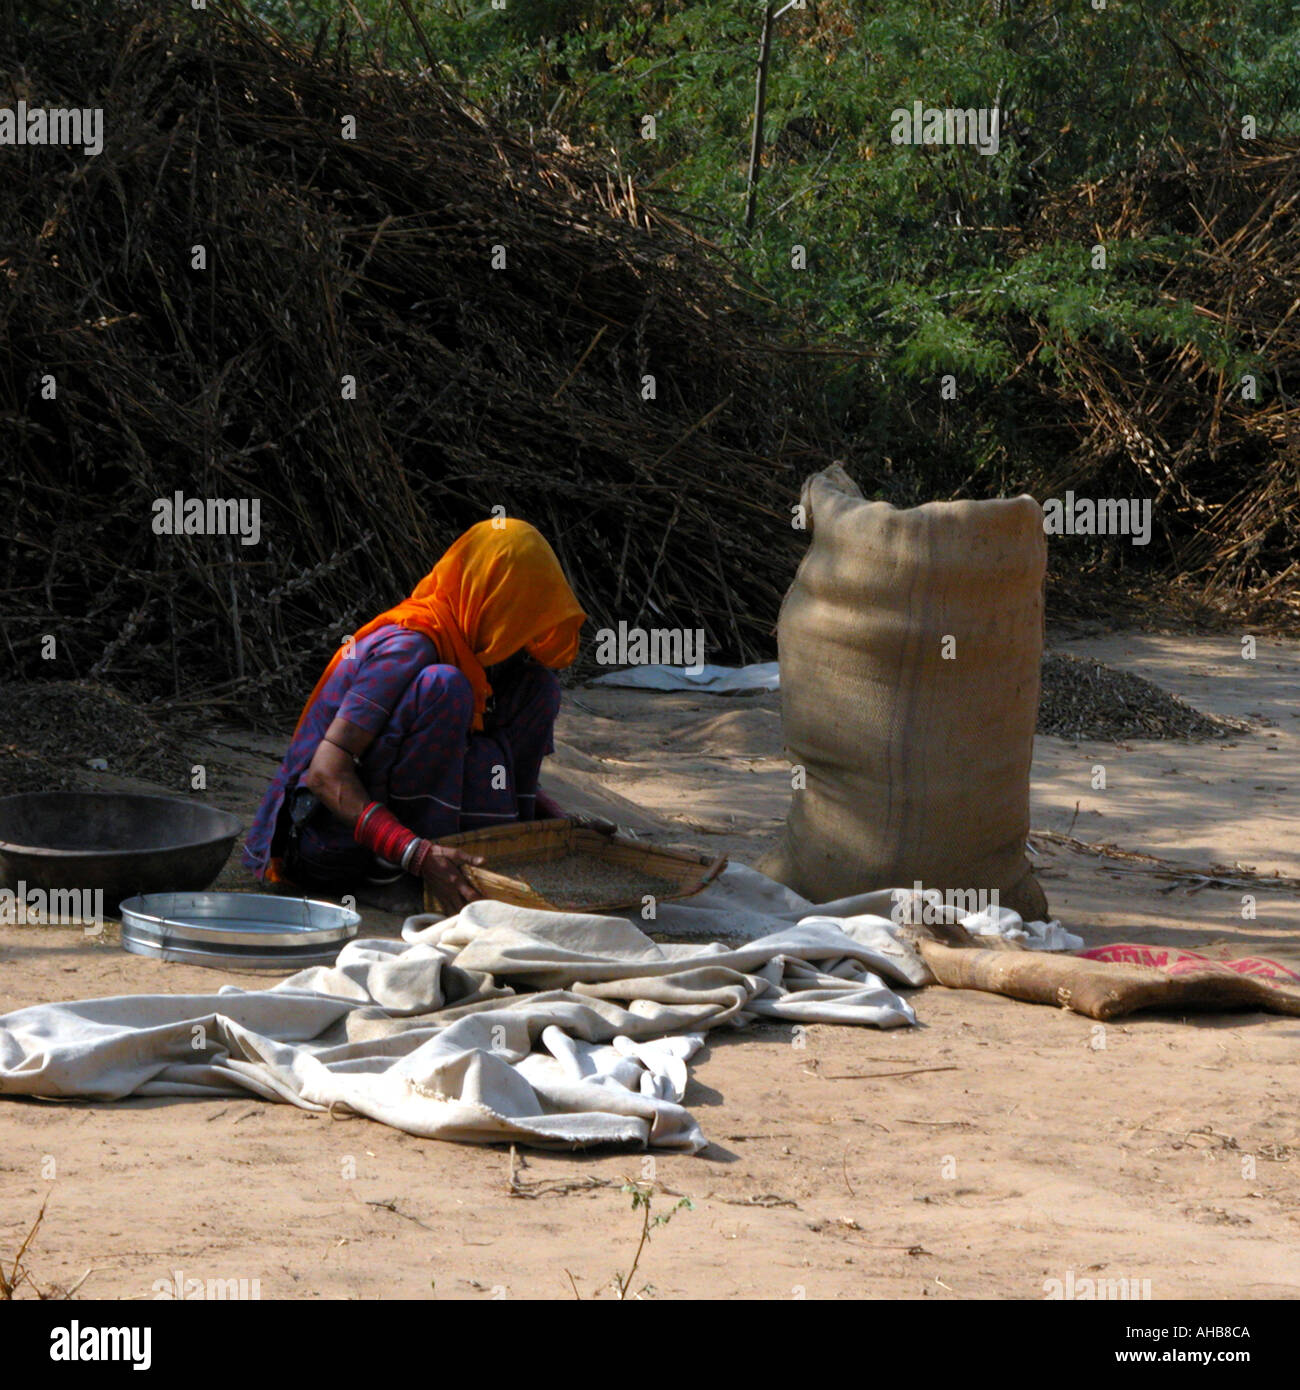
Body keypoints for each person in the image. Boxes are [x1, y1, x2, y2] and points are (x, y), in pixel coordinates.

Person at [243, 518, 586, 912]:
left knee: (537, 687)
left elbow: (482, 766)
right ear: (490, 599)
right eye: (520, 615)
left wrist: (563, 826)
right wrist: (415, 855)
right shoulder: (408, 646)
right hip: (326, 845)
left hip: (420, 838)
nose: (524, 637)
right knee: (444, 686)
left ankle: (509, 853)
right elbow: (325, 774)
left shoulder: (481, 656)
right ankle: (389, 875)